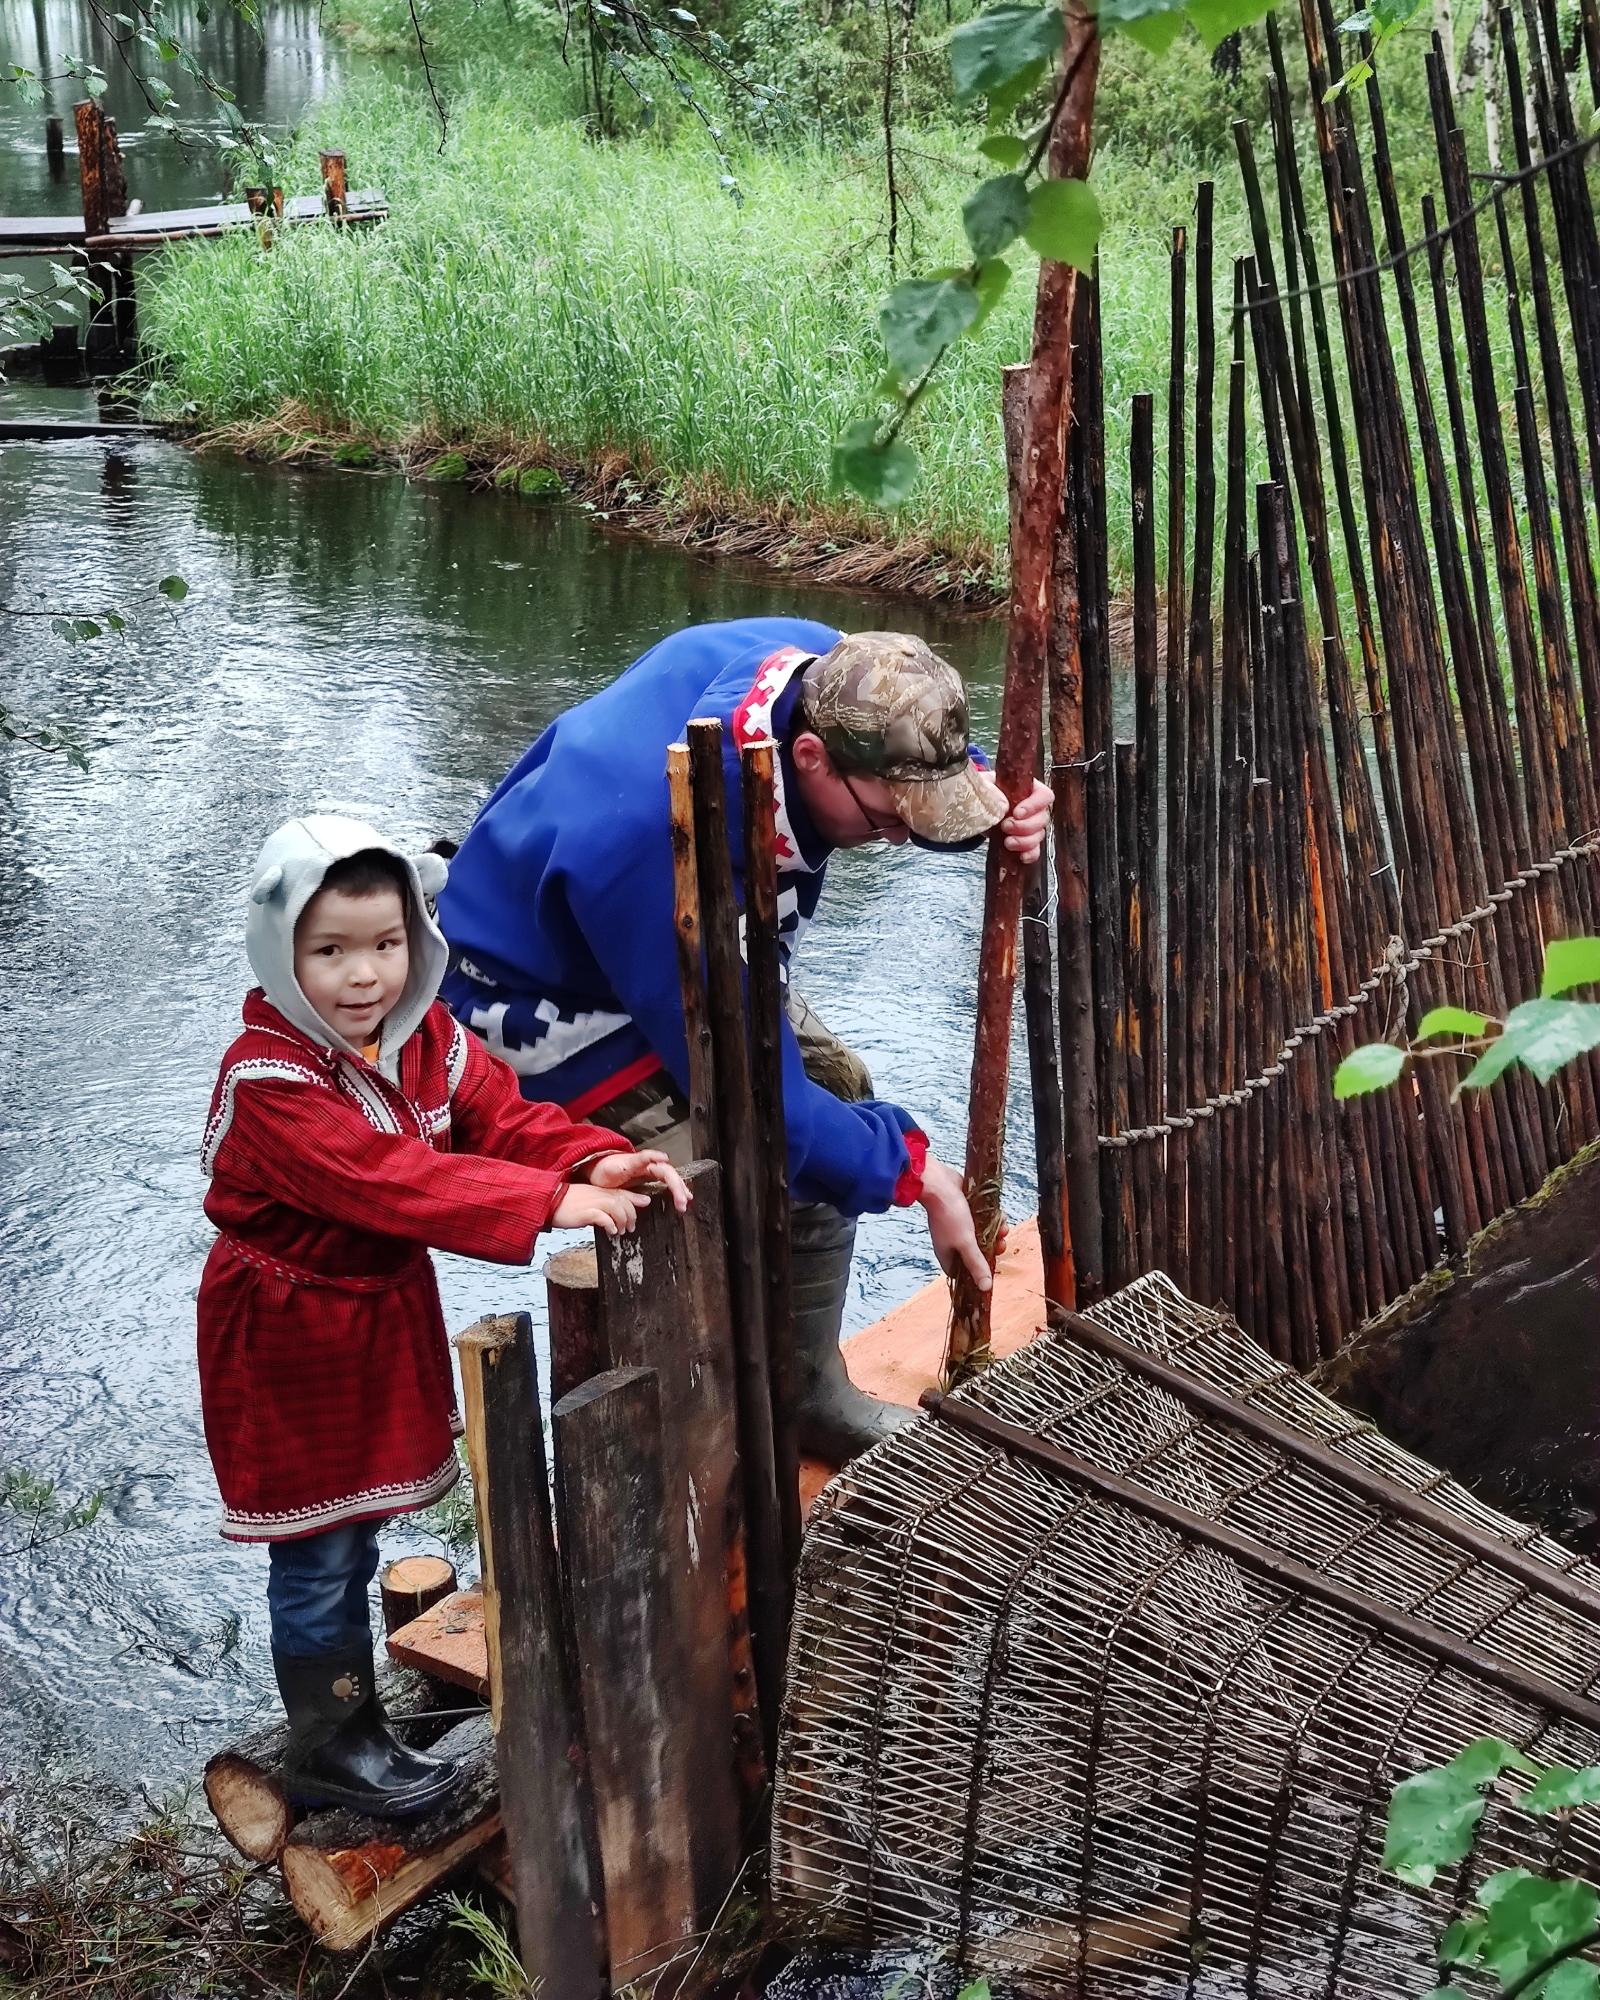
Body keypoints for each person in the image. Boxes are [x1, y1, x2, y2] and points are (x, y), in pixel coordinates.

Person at [436, 622, 1052, 1463]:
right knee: (754, 1167)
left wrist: (984, 799)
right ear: (808, 760)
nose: (902, 838)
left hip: (690, 943)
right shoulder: (650, 846)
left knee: (844, 1083)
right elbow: (761, 1104)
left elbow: (917, 747)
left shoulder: (818, 668)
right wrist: (924, 1178)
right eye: (889, 820)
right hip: (545, 998)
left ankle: (797, 1383)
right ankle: (690, 1433)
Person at [196, 814, 688, 1817]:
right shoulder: (269, 1082)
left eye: (384, 943)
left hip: (375, 1308)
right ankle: (331, 1739)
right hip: (288, 1329)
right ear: (279, 951)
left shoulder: (425, 1037)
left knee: (364, 1522)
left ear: (416, 938)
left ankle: (359, 1723)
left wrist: (586, 1157)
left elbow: (499, 1118)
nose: (363, 974)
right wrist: (543, 1203)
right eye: (327, 950)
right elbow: (397, 1179)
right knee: (319, 1540)